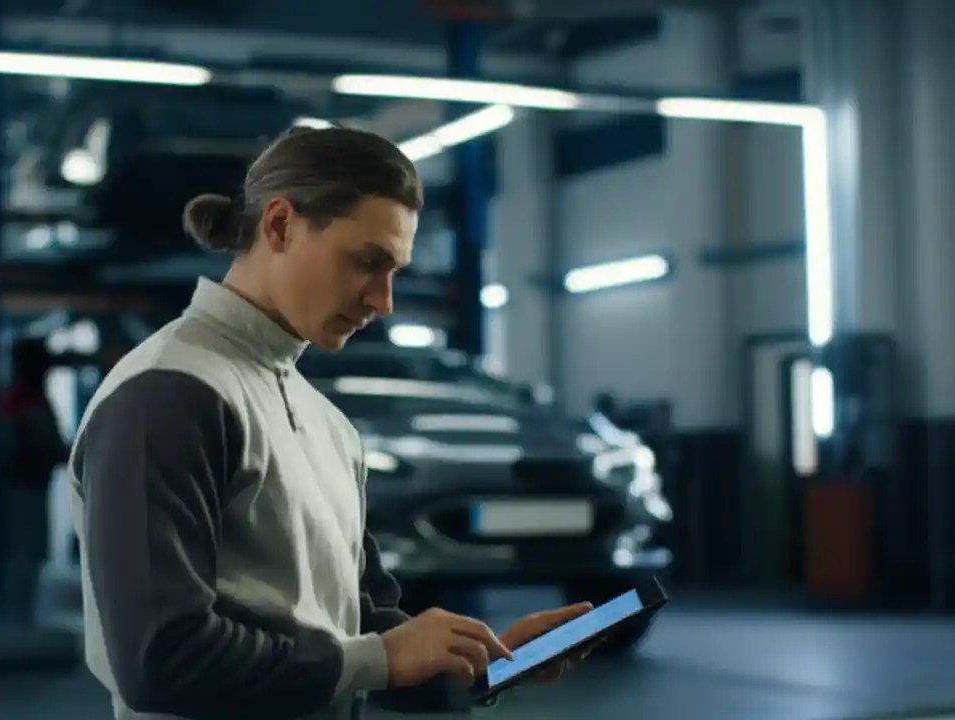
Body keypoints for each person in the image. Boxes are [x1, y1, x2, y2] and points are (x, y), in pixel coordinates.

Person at [66, 126, 593, 720]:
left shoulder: (328, 423)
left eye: (394, 270)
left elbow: (355, 631)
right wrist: (376, 660)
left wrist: (484, 664)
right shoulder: (166, 396)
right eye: (366, 262)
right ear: (281, 225)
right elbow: (161, 658)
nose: (383, 301)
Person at [0, 337, 68, 623]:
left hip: (15, 487)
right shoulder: (28, 402)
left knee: (20, 556)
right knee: (25, 557)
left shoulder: (8, 399)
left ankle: (16, 618)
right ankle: (18, 621)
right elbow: (50, 447)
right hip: (26, 488)